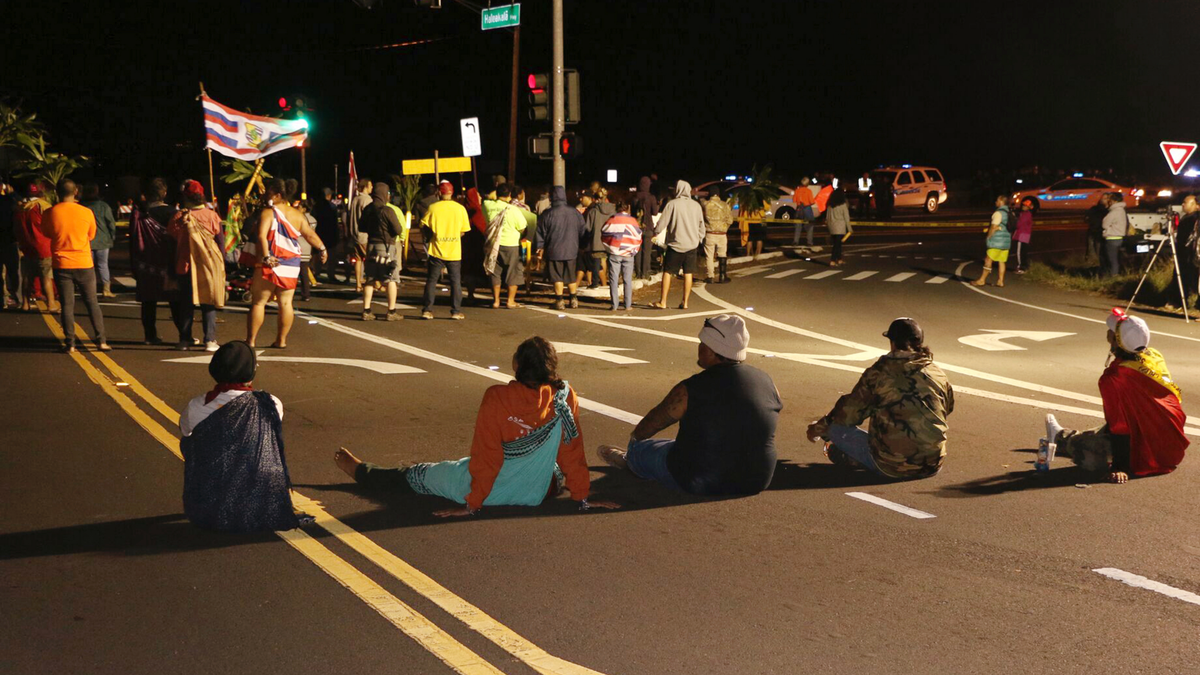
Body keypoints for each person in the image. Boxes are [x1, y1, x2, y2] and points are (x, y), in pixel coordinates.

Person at [334, 337, 618, 516]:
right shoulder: (565, 396)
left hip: (489, 488)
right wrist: (581, 497)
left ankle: (363, 471)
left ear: (517, 367)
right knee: (553, 467)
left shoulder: (497, 397)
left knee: (421, 475)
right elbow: (571, 449)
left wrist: (473, 503)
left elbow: (487, 456)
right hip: (540, 490)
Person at [599, 315, 781, 495]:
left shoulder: (692, 388)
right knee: (686, 443)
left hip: (701, 479)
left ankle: (631, 460)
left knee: (643, 449)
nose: (699, 348)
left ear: (711, 350)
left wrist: (635, 438)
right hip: (756, 479)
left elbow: (653, 423)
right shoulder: (766, 380)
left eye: (702, 344)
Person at [1045, 309, 1187, 484]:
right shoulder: (1154, 355)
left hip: (1150, 454)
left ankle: (1063, 438)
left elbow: (1120, 426)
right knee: (1114, 425)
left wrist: (1120, 467)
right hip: (1171, 448)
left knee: (1091, 457)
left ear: (1116, 340)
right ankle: (1068, 437)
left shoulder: (1114, 378)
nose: (1107, 333)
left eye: (1111, 332)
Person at [180, 340, 307, 532]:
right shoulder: (271, 402)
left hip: (215, 495)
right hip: (263, 496)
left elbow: (186, 432)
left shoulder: (198, 405)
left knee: (189, 441)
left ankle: (212, 498)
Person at [805, 318, 954, 480]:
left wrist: (818, 429)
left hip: (890, 465)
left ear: (892, 342)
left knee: (834, 429)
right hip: (932, 464)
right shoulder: (937, 373)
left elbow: (847, 416)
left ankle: (846, 455)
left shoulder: (879, 373)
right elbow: (948, 407)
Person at [246, 178, 328, 348]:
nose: (264, 195)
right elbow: (309, 235)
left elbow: (261, 236)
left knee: (259, 302)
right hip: (291, 263)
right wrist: (322, 249)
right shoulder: (297, 214)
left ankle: (251, 340)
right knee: (285, 303)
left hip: (271, 261)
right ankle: (281, 340)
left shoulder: (268, 212)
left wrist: (266, 256)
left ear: (277, 195)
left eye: (267, 192)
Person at [40, 180, 109, 352]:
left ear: (57, 192)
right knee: (92, 302)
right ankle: (101, 341)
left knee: (67, 304)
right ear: (76, 191)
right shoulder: (86, 212)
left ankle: (70, 343)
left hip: (61, 263)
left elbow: (47, 233)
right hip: (84, 262)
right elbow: (91, 235)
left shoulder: (50, 212)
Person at [168, 180, 225, 352]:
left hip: (185, 265)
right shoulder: (212, 216)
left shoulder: (178, 217)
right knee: (208, 302)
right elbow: (220, 243)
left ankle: (184, 340)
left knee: (186, 303)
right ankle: (210, 340)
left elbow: (171, 241)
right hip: (208, 265)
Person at [128, 195, 177, 344]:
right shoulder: (172, 212)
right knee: (175, 299)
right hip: (169, 261)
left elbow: (134, 238)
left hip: (146, 262)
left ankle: (150, 335)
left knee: (148, 301)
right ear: (165, 193)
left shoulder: (140, 213)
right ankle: (183, 334)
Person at [420, 180, 471, 320]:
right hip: (454, 250)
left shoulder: (433, 208)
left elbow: (424, 225)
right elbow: (464, 231)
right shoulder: (460, 209)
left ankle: (427, 310)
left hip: (437, 249)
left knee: (432, 281)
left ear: (439, 193)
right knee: (455, 282)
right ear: (452, 192)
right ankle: (455, 311)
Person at [651, 180, 705, 310]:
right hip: (692, 245)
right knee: (688, 273)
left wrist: (655, 232)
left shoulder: (672, 204)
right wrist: (699, 239)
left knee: (668, 272)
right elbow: (701, 226)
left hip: (675, 244)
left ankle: (663, 301)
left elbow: (662, 223)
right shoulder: (696, 205)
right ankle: (685, 302)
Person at [359, 181, 406, 321]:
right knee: (391, 278)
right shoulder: (387, 210)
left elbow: (361, 227)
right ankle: (391, 311)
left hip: (371, 245)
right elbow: (398, 229)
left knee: (371, 278)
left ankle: (366, 310)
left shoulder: (368, 209)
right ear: (385, 194)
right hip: (386, 247)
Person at [535, 185, 586, 310]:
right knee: (571, 276)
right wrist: (581, 244)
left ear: (552, 197)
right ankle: (573, 299)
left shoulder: (547, 214)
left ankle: (559, 301)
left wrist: (539, 247)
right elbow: (583, 230)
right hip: (571, 249)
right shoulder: (575, 213)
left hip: (554, 250)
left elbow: (540, 232)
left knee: (557, 276)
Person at [482, 182, 529, 309]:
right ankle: (510, 301)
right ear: (509, 195)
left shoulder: (487, 205)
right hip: (511, 244)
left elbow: (488, 197)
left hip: (494, 244)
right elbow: (522, 227)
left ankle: (496, 301)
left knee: (495, 272)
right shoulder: (513, 209)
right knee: (513, 272)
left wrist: (497, 193)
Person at [14, 182, 56, 313]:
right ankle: (51, 304)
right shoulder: (42, 207)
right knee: (46, 276)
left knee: (27, 276)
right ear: (41, 194)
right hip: (43, 246)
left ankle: (25, 304)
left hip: (26, 247)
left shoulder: (20, 209)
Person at [601, 201, 642, 311]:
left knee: (613, 279)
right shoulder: (633, 221)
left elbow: (604, 233)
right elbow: (638, 236)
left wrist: (609, 246)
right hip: (628, 253)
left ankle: (614, 304)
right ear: (627, 208)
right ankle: (628, 305)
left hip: (614, 252)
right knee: (627, 280)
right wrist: (633, 249)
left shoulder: (612, 220)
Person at [81, 183, 117, 298]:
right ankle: (106, 289)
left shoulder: (82, 206)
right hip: (103, 240)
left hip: (87, 241)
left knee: (88, 267)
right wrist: (112, 236)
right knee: (103, 265)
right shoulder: (103, 206)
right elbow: (111, 223)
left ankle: (88, 290)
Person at [971, 195, 1012, 287]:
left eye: (997, 200)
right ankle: (1000, 281)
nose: (995, 202)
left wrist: (988, 237)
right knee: (1002, 261)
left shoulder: (998, 213)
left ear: (1001, 201)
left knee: (988, 260)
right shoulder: (1010, 212)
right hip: (1006, 241)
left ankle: (982, 280)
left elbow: (993, 227)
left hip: (996, 241)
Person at [583, 187, 614, 288]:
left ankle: (595, 282)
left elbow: (588, 228)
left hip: (597, 240)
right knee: (611, 261)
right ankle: (612, 281)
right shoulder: (613, 210)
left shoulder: (593, 211)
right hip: (611, 240)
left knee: (596, 261)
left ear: (596, 199)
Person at [702, 186, 734, 284]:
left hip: (710, 233)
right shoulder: (725, 205)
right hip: (722, 234)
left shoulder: (705, 204)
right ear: (719, 194)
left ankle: (710, 276)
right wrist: (724, 228)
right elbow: (730, 220)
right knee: (722, 254)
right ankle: (722, 276)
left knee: (709, 256)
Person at [346, 178, 372, 291]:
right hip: (364, 235)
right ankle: (370, 283)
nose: (372, 187)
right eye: (370, 185)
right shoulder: (367, 200)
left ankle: (358, 284)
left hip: (354, 235)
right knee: (369, 260)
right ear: (366, 186)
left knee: (358, 260)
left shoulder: (355, 199)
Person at [1174, 195, 1200, 304]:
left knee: (1185, 278)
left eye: (1185, 202)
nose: (1183, 205)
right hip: (1189, 255)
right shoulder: (1189, 218)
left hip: (1189, 255)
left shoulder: (1191, 219)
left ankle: (1178, 300)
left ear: (1195, 205)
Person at [632, 176, 659, 280]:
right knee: (647, 252)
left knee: (637, 251)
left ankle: (638, 273)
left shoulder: (634, 197)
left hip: (636, 227)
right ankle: (645, 273)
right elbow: (655, 212)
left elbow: (633, 212)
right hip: (648, 226)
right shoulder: (651, 197)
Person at [313, 187, 341, 281]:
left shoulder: (316, 206)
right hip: (330, 233)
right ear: (328, 196)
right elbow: (335, 221)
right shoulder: (332, 206)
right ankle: (331, 274)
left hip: (319, 232)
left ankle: (316, 272)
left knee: (318, 253)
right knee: (331, 255)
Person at [1100, 192, 1128, 277]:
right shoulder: (1122, 210)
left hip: (1112, 238)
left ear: (1113, 200)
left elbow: (1104, 224)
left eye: (1110, 199)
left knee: (1112, 260)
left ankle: (1113, 276)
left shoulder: (1114, 211)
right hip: (1120, 238)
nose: (1108, 201)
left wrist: (1107, 229)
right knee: (1116, 259)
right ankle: (1117, 275)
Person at [0, 181, 18, 309]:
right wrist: (12, 193)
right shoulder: (9, 201)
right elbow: (20, 205)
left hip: (7, 240)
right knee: (14, 271)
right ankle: (17, 298)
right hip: (9, 240)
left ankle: (2, 301)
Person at [825, 187, 852, 267]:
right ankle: (833, 260)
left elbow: (827, 217)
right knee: (837, 244)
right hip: (840, 226)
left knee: (837, 243)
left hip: (831, 225)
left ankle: (839, 259)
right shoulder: (843, 205)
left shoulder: (830, 205)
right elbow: (846, 217)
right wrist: (849, 228)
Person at [1012, 197, 1036, 274]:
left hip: (1021, 235)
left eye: (1025, 206)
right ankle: (1024, 267)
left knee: (1020, 252)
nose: (1023, 207)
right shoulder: (1026, 214)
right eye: (1023, 205)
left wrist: (1014, 219)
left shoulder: (1026, 215)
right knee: (1023, 251)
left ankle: (1021, 267)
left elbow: (1019, 224)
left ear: (1028, 207)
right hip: (1025, 235)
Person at [791, 177, 818, 247]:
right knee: (810, 225)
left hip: (799, 208)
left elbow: (794, 200)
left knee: (798, 226)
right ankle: (809, 242)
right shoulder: (808, 191)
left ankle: (795, 241)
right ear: (807, 184)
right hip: (807, 208)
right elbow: (812, 202)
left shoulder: (797, 190)